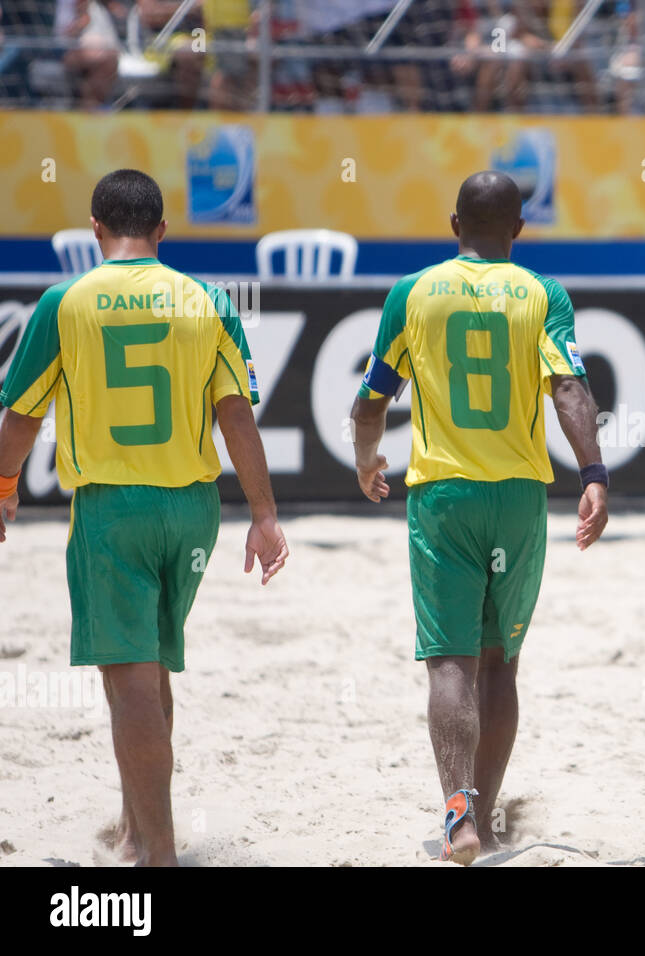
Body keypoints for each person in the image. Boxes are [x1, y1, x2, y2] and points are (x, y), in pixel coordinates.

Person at [0, 169, 289, 866]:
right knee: (152, 667)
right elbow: (237, 417)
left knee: (127, 679)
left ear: (95, 230)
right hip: (193, 511)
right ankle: (137, 829)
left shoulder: (65, 302)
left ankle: (156, 853)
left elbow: (19, 418)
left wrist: (4, 484)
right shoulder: (208, 300)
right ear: (162, 232)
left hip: (113, 509)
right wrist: (264, 513)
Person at [349, 170, 608, 866]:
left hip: (443, 496)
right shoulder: (542, 294)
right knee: (501, 664)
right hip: (518, 497)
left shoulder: (413, 292)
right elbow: (569, 387)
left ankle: (458, 817)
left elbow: (373, 397)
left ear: (454, 225)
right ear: (518, 230)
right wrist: (594, 474)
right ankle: (486, 821)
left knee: (448, 664)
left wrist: (368, 458)